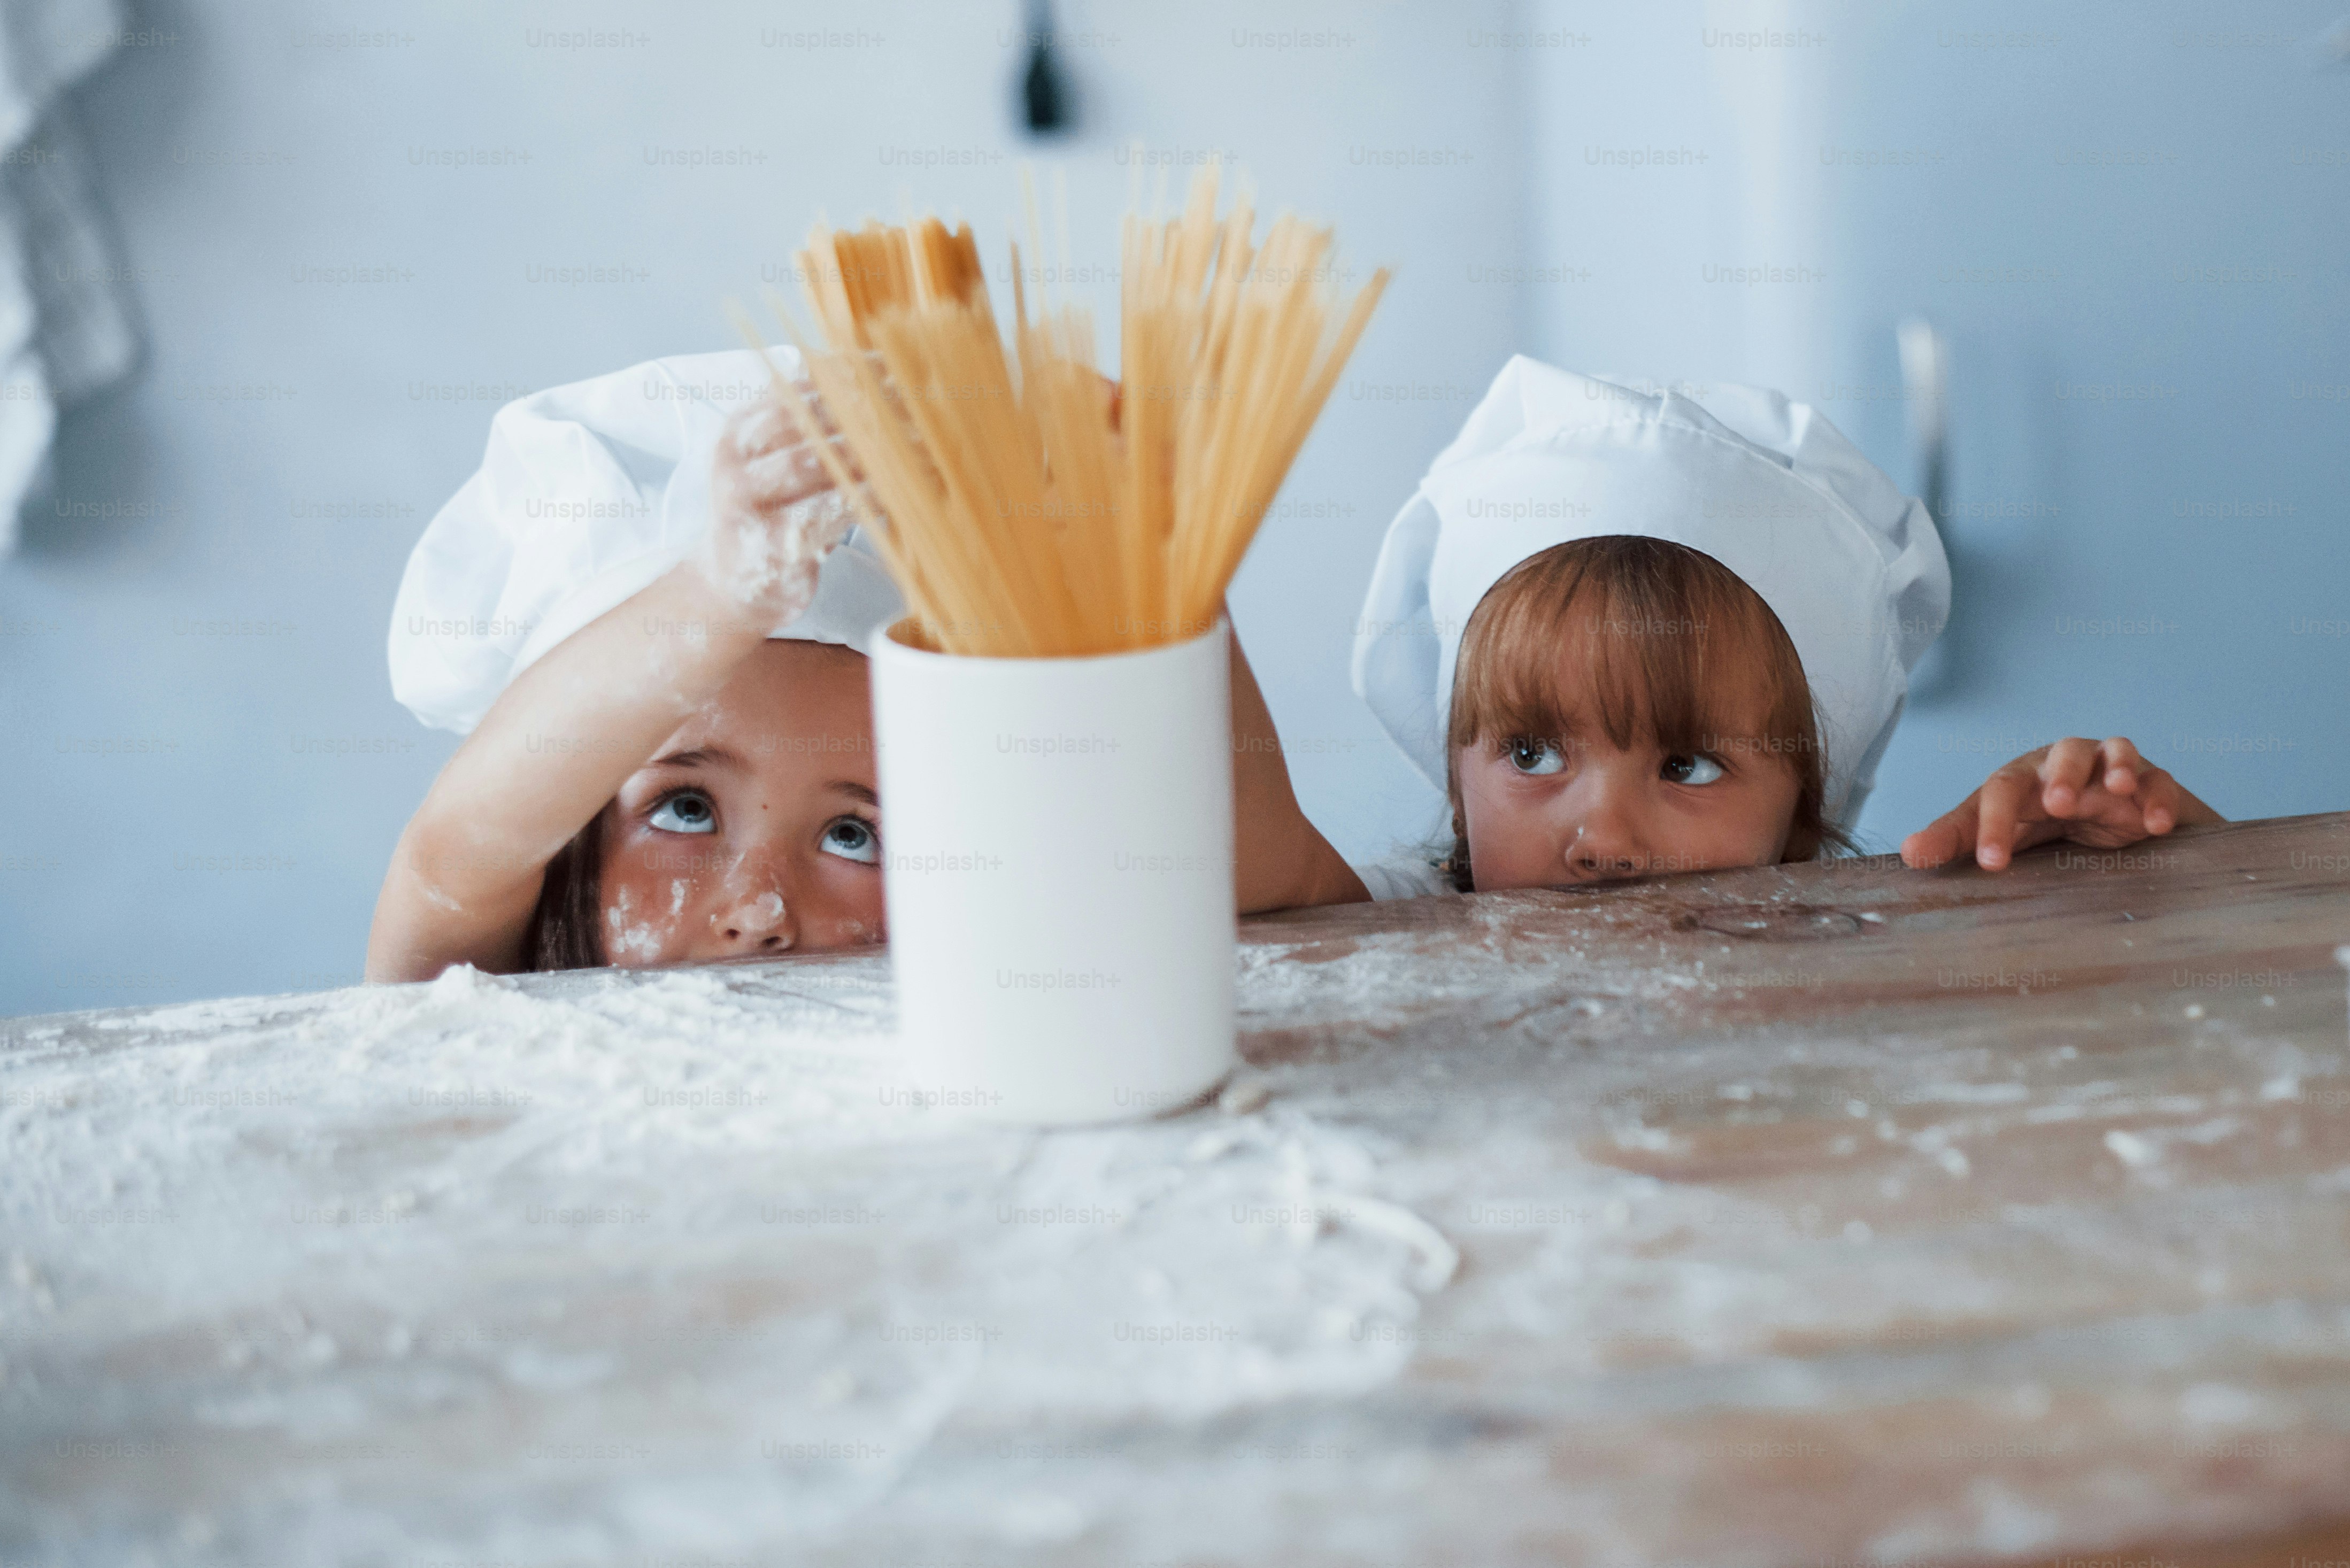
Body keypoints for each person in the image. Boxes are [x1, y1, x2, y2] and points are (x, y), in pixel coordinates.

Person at [1247, 357, 2218, 906]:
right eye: (1532, 751)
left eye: (1690, 767)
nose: (1604, 840)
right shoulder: (1414, 926)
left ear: (1804, 814)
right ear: (1457, 786)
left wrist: (2121, 860)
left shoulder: (1864, 942)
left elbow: (2237, 941)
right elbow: (1248, 863)